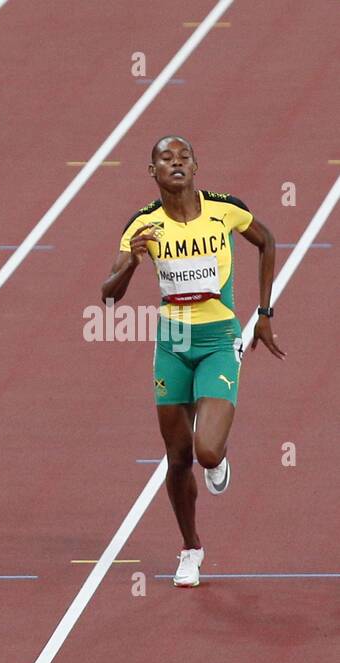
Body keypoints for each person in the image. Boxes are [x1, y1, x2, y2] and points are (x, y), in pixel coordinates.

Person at [101, 135, 282, 587]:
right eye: (166, 158)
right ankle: (190, 549)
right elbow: (108, 297)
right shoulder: (142, 225)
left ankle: (219, 460)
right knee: (178, 457)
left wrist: (263, 313)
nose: (176, 163)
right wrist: (133, 262)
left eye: (184, 157)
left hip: (219, 337)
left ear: (196, 165)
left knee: (205, 451)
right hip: (172, 341)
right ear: (153, 172)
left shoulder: (225, 210)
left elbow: (268, 241)